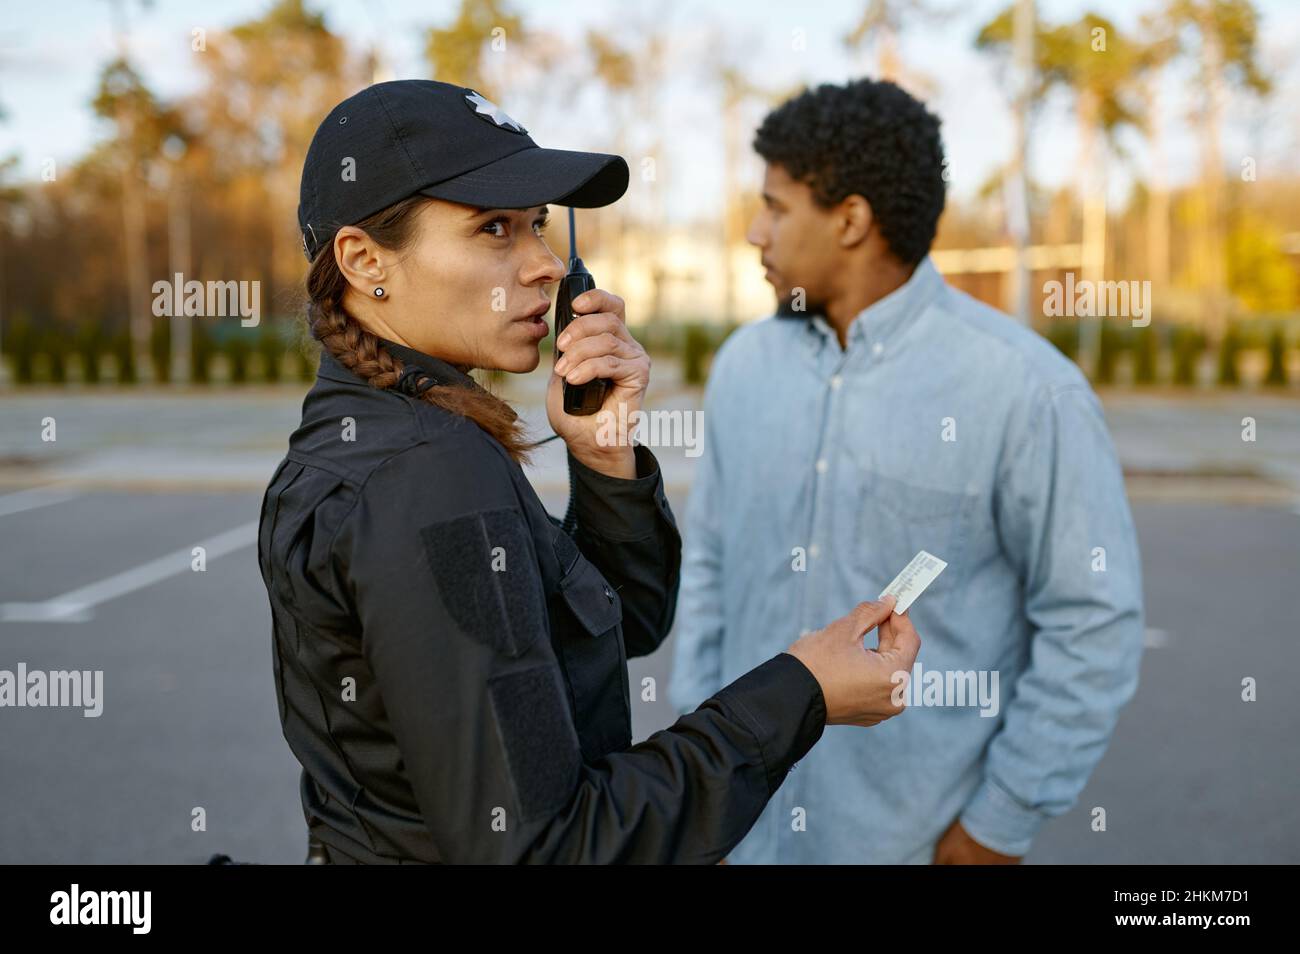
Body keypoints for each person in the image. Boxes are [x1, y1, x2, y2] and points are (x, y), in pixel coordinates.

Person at [256, 79, 921, 865]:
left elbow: (618, 624)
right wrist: (800, 693)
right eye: (494, 228)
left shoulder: (372, 431)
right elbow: (551, 847)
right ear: (366, 260)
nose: (542, 265)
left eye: (537, 225)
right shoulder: (427, 474)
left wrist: (603, 458)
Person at [669, 78, 1145, 864]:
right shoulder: (743, 368)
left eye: (777, 207)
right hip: (739, 835)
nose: (757, 232)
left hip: (908, 843)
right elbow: (713, 569)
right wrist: (695, 771)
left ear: (850, 219)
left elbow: (1093, 622)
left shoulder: (1026, 391)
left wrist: (997, 826)